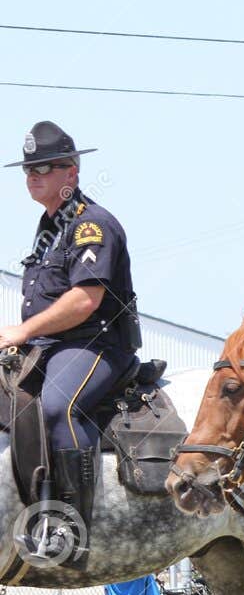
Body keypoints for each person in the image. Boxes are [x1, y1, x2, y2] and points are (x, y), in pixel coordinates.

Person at [3, 122, 141, 564]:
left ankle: (69, 527)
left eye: (45, 167)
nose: (34, 176)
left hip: (97, 345)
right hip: (50, 347)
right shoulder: (50, 227)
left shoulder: (90, 225)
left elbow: (85, 300)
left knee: (57, 407)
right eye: (29, 169)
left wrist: (21, 332)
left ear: (72, 173)